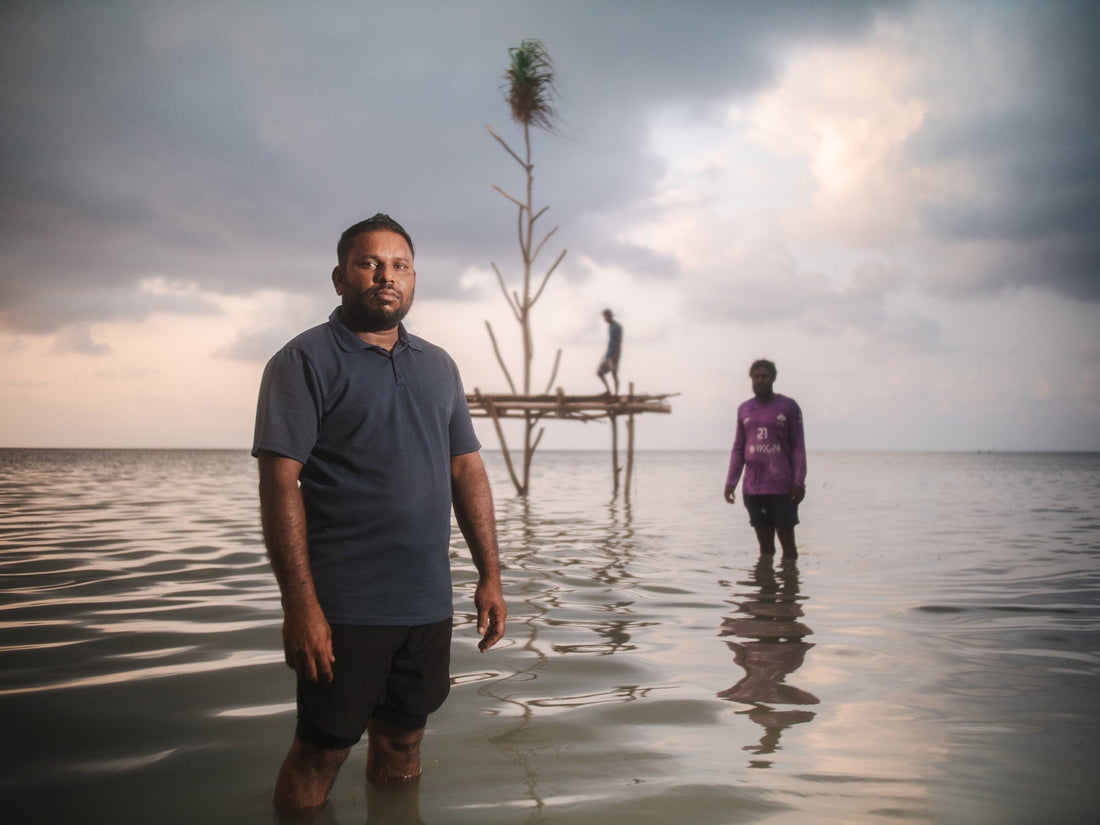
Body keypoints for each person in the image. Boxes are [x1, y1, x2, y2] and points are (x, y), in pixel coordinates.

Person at [252, 213, 507, 812]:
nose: (385, 276)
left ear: (413, 279)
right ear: (340, 278)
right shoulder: (303, 362)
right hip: (344, 606)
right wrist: (301, 606)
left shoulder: (438, 365)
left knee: (403, 740)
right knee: (322, 750)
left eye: (399, 265)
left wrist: (491, 575)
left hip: (425, 602)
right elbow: (279, 483)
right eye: (369, 263)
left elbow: (466, 469)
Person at [723, 359, 807, 558]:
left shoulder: (788, 406)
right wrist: (730, 482)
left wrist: (798, 482)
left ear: (773, 378)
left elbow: (798, 447)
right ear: (751, 379)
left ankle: (790, 587)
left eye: (765, 376)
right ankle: (766, 587)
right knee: (765, 549)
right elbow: (738, 448)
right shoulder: (744, 409)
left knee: (788, 548)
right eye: (756, 376)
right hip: (754, 488)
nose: (760, 380)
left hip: (782, 488)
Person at [597, 308, 622, 394]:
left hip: (614, 354)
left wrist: (616, 355)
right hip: (608, 353)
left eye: (605, 317)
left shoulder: (617, 326)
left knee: (614, 374)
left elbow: (619, 342)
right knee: (599, 372)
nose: (604, 319)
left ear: (609, 316)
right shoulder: (610, 327)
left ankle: (616, 394)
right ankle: (608, 390)